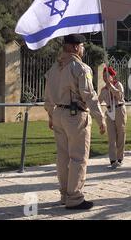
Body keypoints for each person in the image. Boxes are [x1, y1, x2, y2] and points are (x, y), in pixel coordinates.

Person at [44, 34, 106, 210]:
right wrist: (100, 117)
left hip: (58, 114)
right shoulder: (80, 67)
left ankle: (64, 194)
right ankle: (75, 197)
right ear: (76, 47)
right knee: (78, 158)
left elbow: (48, 96)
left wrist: (50, 115)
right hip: (75, 115)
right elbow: (89, 95)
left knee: (62, 157)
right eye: (82, 46)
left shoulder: (54, 68)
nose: (83, 49)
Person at [99, 66, 127, 169]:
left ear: (112, 76)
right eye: (103, 76)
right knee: (111, 136)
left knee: (121, 134)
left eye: (107, 76)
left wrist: (111, 87)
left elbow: (120, 97)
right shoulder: (103, 90)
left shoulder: (118, 85)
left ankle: (120, 158)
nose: (105, 78)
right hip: (109, 111)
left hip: (119, 109)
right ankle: (112, 159)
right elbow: (98, 101)